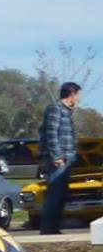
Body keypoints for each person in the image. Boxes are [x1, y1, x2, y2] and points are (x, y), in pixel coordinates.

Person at [38, 80, 82, 234]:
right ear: (72, 94)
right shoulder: (55, 109)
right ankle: (48, 228)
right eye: (78, 95)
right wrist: (56, 156)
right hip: (58, 159)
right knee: (55, 193)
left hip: (67, 158)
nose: (79, 98)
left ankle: (54, 227)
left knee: (61, 194)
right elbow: (51, 134)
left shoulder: (67, 111)